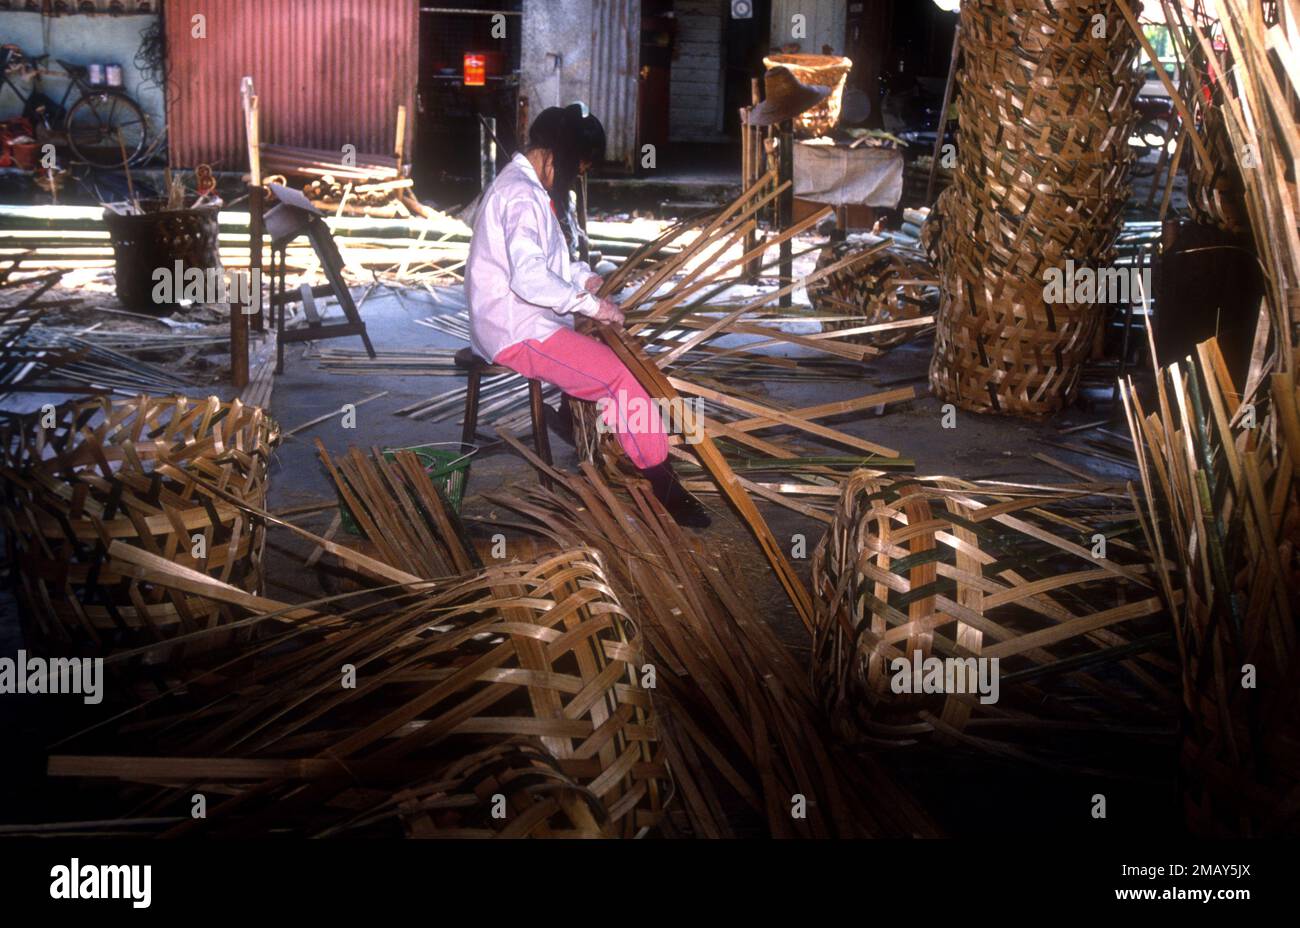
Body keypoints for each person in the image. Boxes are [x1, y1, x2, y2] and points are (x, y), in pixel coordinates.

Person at [465, 104, 709, 527]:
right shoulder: (521, 195)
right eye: (575, 170)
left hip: (518, 320)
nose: (573, 179)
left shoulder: (526, 187)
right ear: (555, 155)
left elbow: (548, 264)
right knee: (619, 378)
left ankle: (619, 446)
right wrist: (593, 307)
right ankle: (663, 483)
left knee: (606, 366)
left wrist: (582, 278)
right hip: (515, 329)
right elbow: (529, 279)